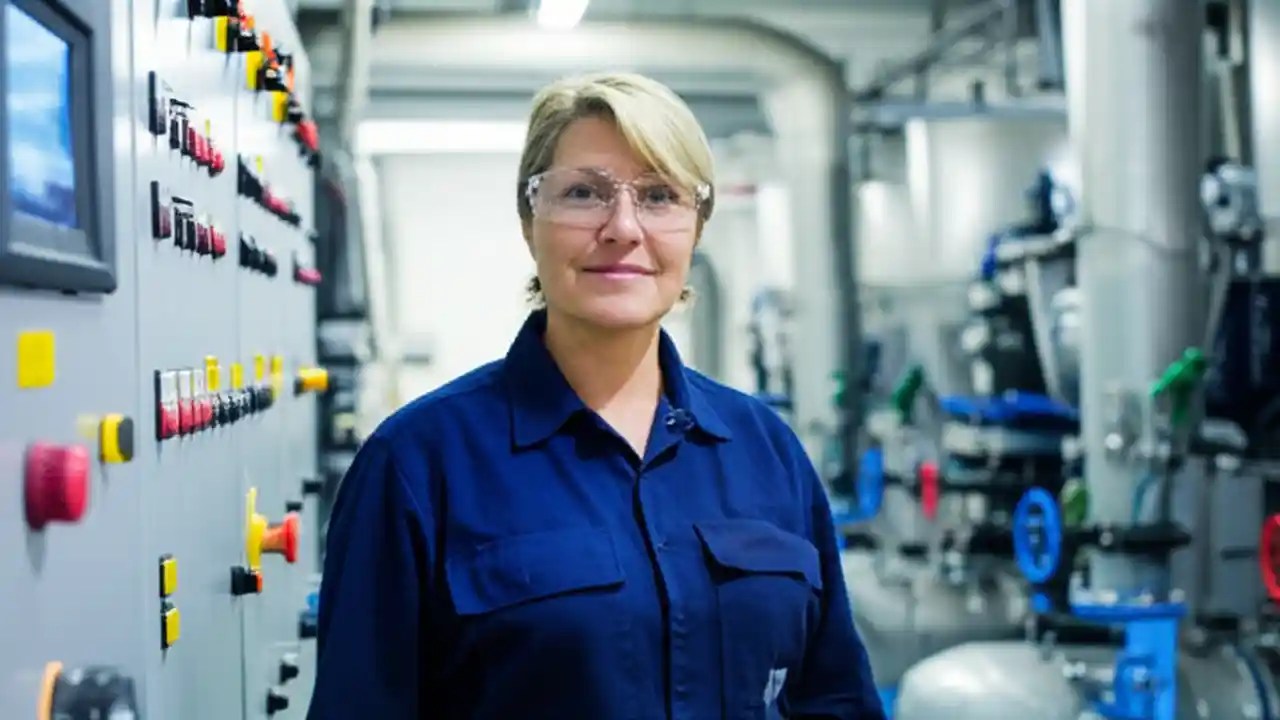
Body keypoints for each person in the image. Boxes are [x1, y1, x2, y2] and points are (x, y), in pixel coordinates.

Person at [306, 71, 884, 720]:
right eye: (583, 193)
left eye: (660, 195)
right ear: (530, 222)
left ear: (697, 227)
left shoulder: (766, 450)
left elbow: (835, 698)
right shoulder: (418, 466)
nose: (623, 228)